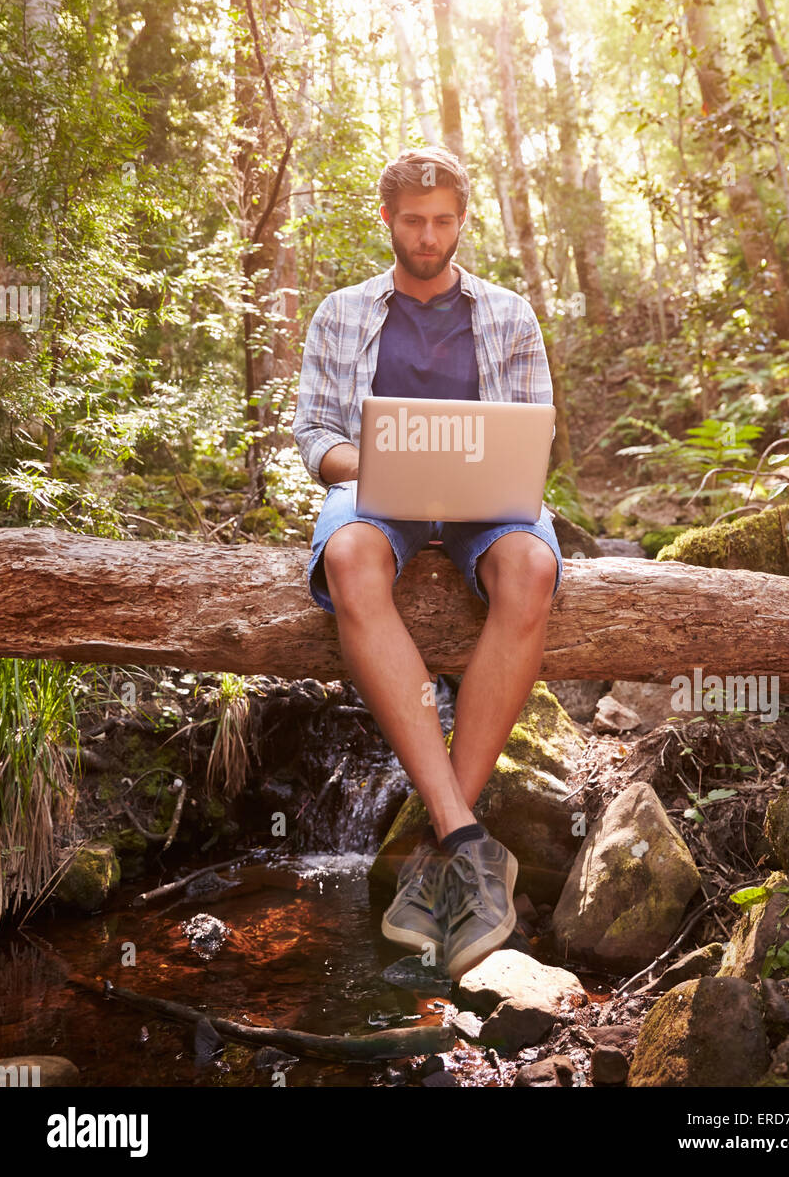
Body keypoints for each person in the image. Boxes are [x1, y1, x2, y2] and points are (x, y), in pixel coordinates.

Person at [290, 146, 563, 980]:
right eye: (414, 220)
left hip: (484, 500)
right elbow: (316, 439)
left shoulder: (509, 313)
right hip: (379, 491)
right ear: (387, 219)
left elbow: (535, 436)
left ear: (462, 221)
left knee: (533, 571)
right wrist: (380, 468)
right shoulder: (341, 312)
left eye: (444, 220)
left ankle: (439, 843)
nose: (429, 236)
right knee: (348, 553)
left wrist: (481, 477)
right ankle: (467, 840)